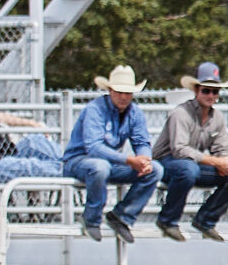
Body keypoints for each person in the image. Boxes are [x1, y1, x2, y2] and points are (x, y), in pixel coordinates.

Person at [62, 65, 160, 243]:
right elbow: (94, 147)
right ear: (110, 90)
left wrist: (145, 159)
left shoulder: (135, 112)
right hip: (79, 161)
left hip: (110, 163)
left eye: (128, 92)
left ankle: (122, 216)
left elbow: (142, 142)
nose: (124, 97)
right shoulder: (95, 109)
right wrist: (129, 160)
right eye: (119, 91)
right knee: (100, 167)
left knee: (155, 169)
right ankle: (91, 219)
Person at [151, 62, 228, 242]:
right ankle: (168, 220)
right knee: (187, 169)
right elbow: (179, 150)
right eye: (206, 90)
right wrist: (217, 162)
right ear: (196, 90)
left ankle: (206, 220)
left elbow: (222, 147)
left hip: (193, 164)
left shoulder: (217, 117)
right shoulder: (180, 113)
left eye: (215, 91)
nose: (211, 95)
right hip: (166, 163)